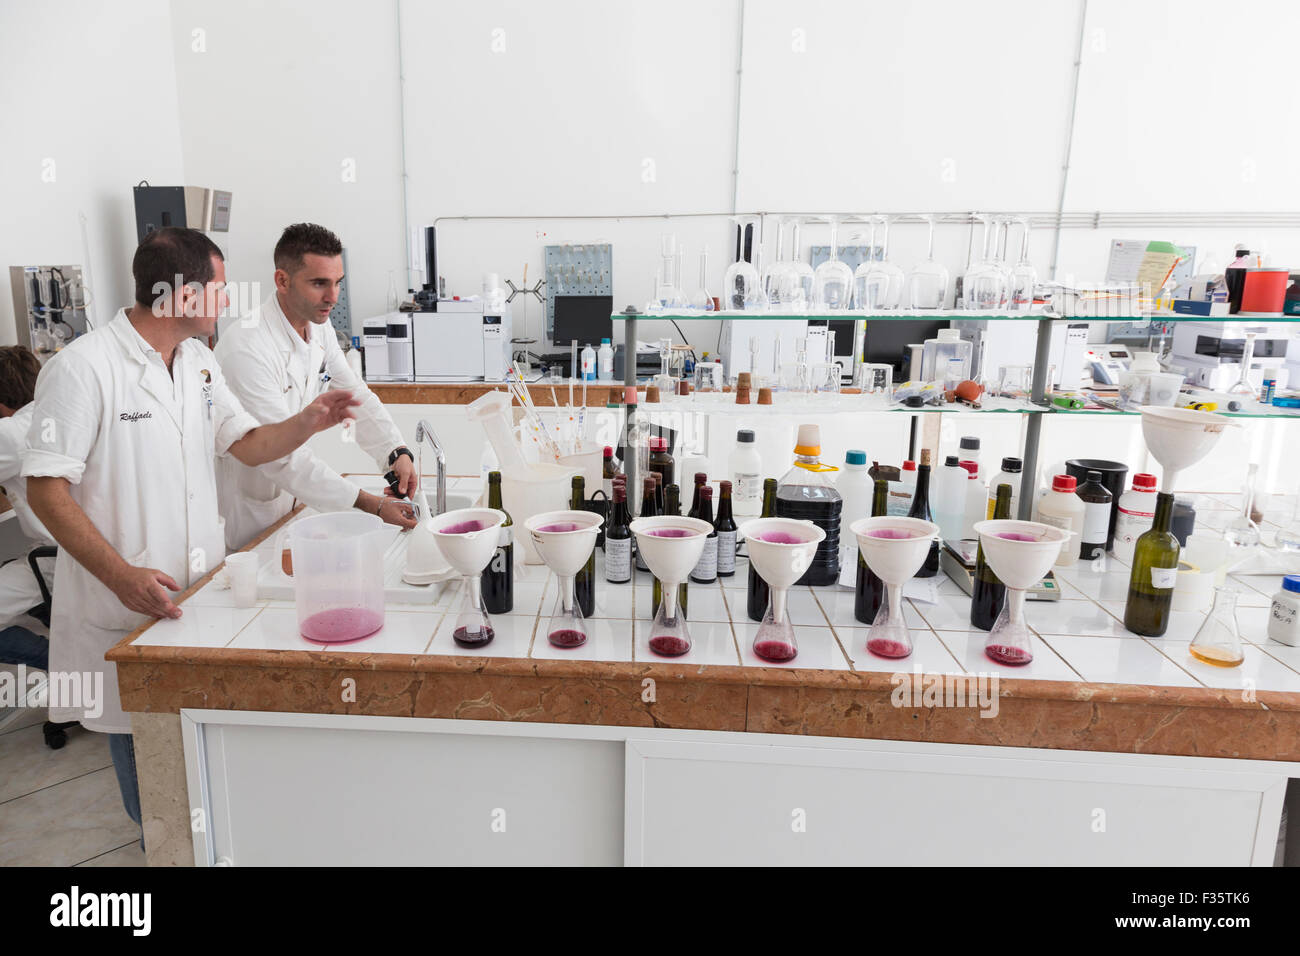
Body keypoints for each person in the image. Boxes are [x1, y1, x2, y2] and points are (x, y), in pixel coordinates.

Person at [22, 227, 360, 841]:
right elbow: (47, 489)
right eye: (219, 288)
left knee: (201, 770)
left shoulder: (200, 362)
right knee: (153, 794)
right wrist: (121, 576)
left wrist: (307, 421)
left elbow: (247, 444)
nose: (227, 301)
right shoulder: (83, 369)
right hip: (124, 604)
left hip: (197, 590)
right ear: (181, 294)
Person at [214, 223, 417, 550]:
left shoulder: (318, 327)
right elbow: (281, 457)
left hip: (293, 506)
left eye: (337, 283)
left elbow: (354, 395)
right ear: (282, 280)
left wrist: (395, 452)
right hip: (250, 519)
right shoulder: (247, 349)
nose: (333, 297)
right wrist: (371, 504)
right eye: (319, 283)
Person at [0, 345, 56, 672]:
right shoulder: (55, 415)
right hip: (69, 554)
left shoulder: (10, 433)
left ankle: (60, 661)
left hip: (56, 559)